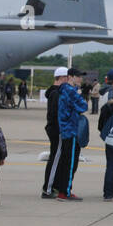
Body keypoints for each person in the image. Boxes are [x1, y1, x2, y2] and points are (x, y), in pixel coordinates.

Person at [50, 68, 89, 201]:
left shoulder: (64, 90)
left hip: (66, 129)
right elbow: (83, 106)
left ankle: (63, 189)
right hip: (71, 130)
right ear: (70, 77)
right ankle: (65, 191)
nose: (80, 79)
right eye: (78, 76)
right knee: (70, 162)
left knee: (66, 161)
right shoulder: (70, 91)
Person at [41, 67, 68, 198]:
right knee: (55, 158)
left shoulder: (53, 92)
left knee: (56, 157)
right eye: (67, 78)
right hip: (57, 129)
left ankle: (53, 185)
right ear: (63, 78)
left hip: (54, 128)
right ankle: (48, 189)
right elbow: (55, 114)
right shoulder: (57, 94)